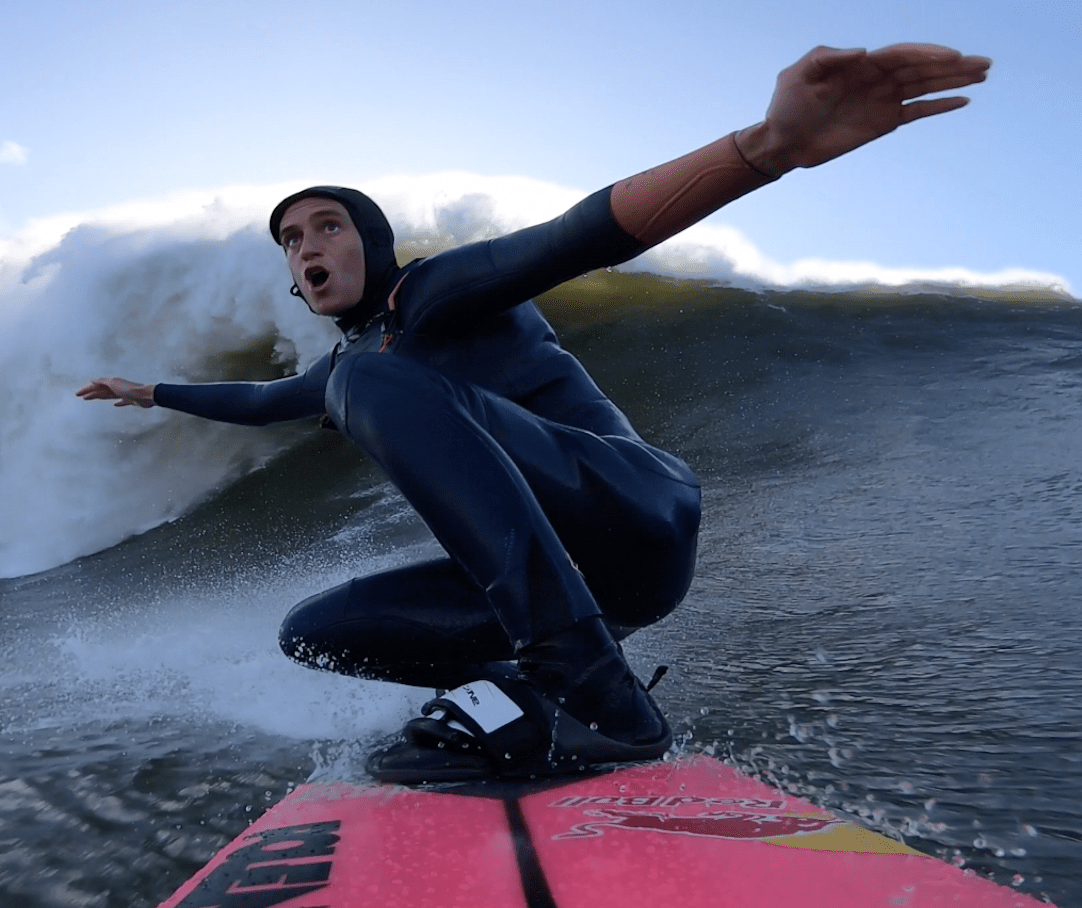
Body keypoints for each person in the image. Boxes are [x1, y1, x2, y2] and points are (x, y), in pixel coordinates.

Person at [79, 44, 991, 783]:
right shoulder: (349, 362)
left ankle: (597, 701)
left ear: (375, 241)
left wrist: (764, 148)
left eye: (327, 225)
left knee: (361, 384)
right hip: (586, 585)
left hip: (634, 508)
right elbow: (258, 400)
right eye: (290, 239)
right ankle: (526, 689)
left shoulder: (434, 292)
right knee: (315, 634)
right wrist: (148, 391)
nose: (306, 245)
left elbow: (576, 236)